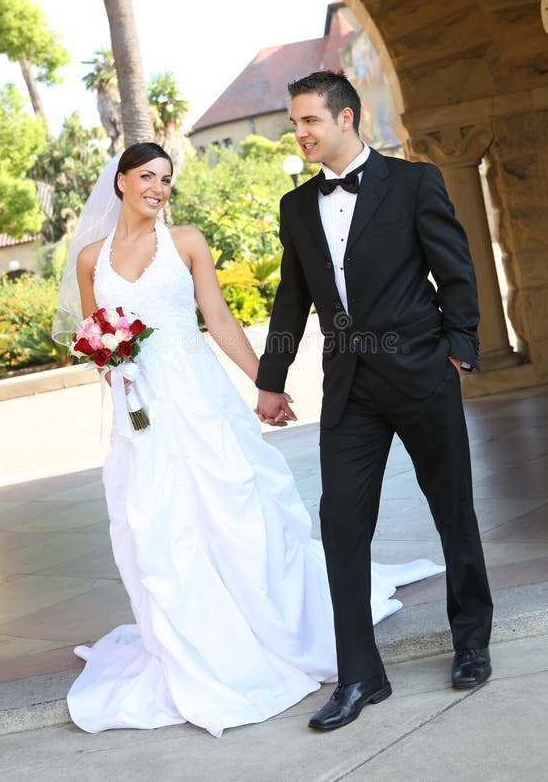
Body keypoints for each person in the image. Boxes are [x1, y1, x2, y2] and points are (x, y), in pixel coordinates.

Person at [52, 141, 443, 737]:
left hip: (199, 401)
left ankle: (265, 629)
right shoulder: (89, 258)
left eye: (167, 179)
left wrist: (266, 382)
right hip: (141, 412)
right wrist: (110, 360)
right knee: (159, 525)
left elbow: (220, 318)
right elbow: (92, 334)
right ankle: (194, 646)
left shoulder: (186, 243)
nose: (159, 188)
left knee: (234, 509)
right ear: (122, 182)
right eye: (149, 177)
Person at [256, 71, 493, 733]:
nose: (300, 132)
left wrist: (460, 346)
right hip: (348, 382)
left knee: (453, 510)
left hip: (421, 368)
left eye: (310, 120)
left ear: (347, 118)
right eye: (296, 121)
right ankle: (361, 672)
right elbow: (291, 298)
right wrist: (271, 377)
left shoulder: (414, 183)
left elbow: (456, 267)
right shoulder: (297, 207)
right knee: (341, 525)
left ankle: (471, 640)